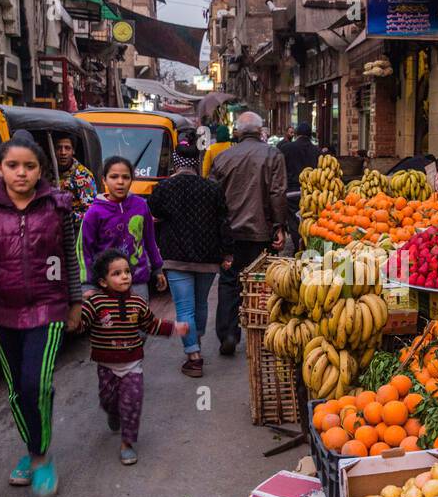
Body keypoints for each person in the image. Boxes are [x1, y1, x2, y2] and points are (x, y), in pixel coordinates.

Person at [0, 132, 82, 497]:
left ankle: (41, 457)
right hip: (2, 311)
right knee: (16, 390)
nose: (21, 173)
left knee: (37, 384)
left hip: (49, 307)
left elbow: (69, 259)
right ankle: (32, 447)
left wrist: (75, 302)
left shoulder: (58, 207)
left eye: (29, 166)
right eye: (13, 166)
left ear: (41, 170)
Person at [79, 249, 187, 465]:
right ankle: (113, 413)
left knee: (132, 403)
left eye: (127, 271)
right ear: (102, 281)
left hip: (132, 364)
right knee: (108, 401)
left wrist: (174, 327)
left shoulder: (137, 303)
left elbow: (151, 325)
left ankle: (127, 443)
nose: (125, 276)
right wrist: (70, 316)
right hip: (106, 365)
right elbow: (81, 324)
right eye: (117, 273)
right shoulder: (95, 303)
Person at [148, 141, 232, 377]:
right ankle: (197, 341)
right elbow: (223, 222)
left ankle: (194, 357)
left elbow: (153, 214)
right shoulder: (212, 188)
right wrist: (227, 253)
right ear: (197, 162)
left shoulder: (164, 188)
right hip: (207, 257)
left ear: (176, 162)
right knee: (201, 304)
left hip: (176, 258)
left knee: (184, 307)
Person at [209, 111, 286, 357]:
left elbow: (213, 196)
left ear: (238, 132)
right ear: (261, 130)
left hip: (230, 234)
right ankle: (261, 334)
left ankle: (228, 334)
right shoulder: (273, 155)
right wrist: (279, 226)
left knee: (229, 282)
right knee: (261, 283)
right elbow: (277, 193)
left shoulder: (223, 157)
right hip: (261, 232)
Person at [80, 156, 166, 301]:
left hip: (138, 280)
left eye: (125, 177)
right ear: (104, 180)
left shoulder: (141, 206)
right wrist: (88, 284)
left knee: (138, 321)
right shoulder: (94, 213)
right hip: (106, 284)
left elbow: (150, 240)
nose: (120, 182)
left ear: (131, 180)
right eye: (114, 177)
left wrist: (157, 269)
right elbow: (84, 250)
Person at [278, 121, 319, 253]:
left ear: (296, 134)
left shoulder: (286, 149)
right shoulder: (317, 151)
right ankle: (308, 247)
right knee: (310, 221)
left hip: (291, 193)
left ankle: (297, 247)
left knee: (294, 223)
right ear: (310, 135)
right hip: (311, 194)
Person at [53, 135, 97, 226]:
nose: (63, 152)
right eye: (59, 148)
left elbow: (92, 212)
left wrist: (70, 217)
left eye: (67, 148)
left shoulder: (84, 176)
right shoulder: (45, 171)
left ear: (73, 151)